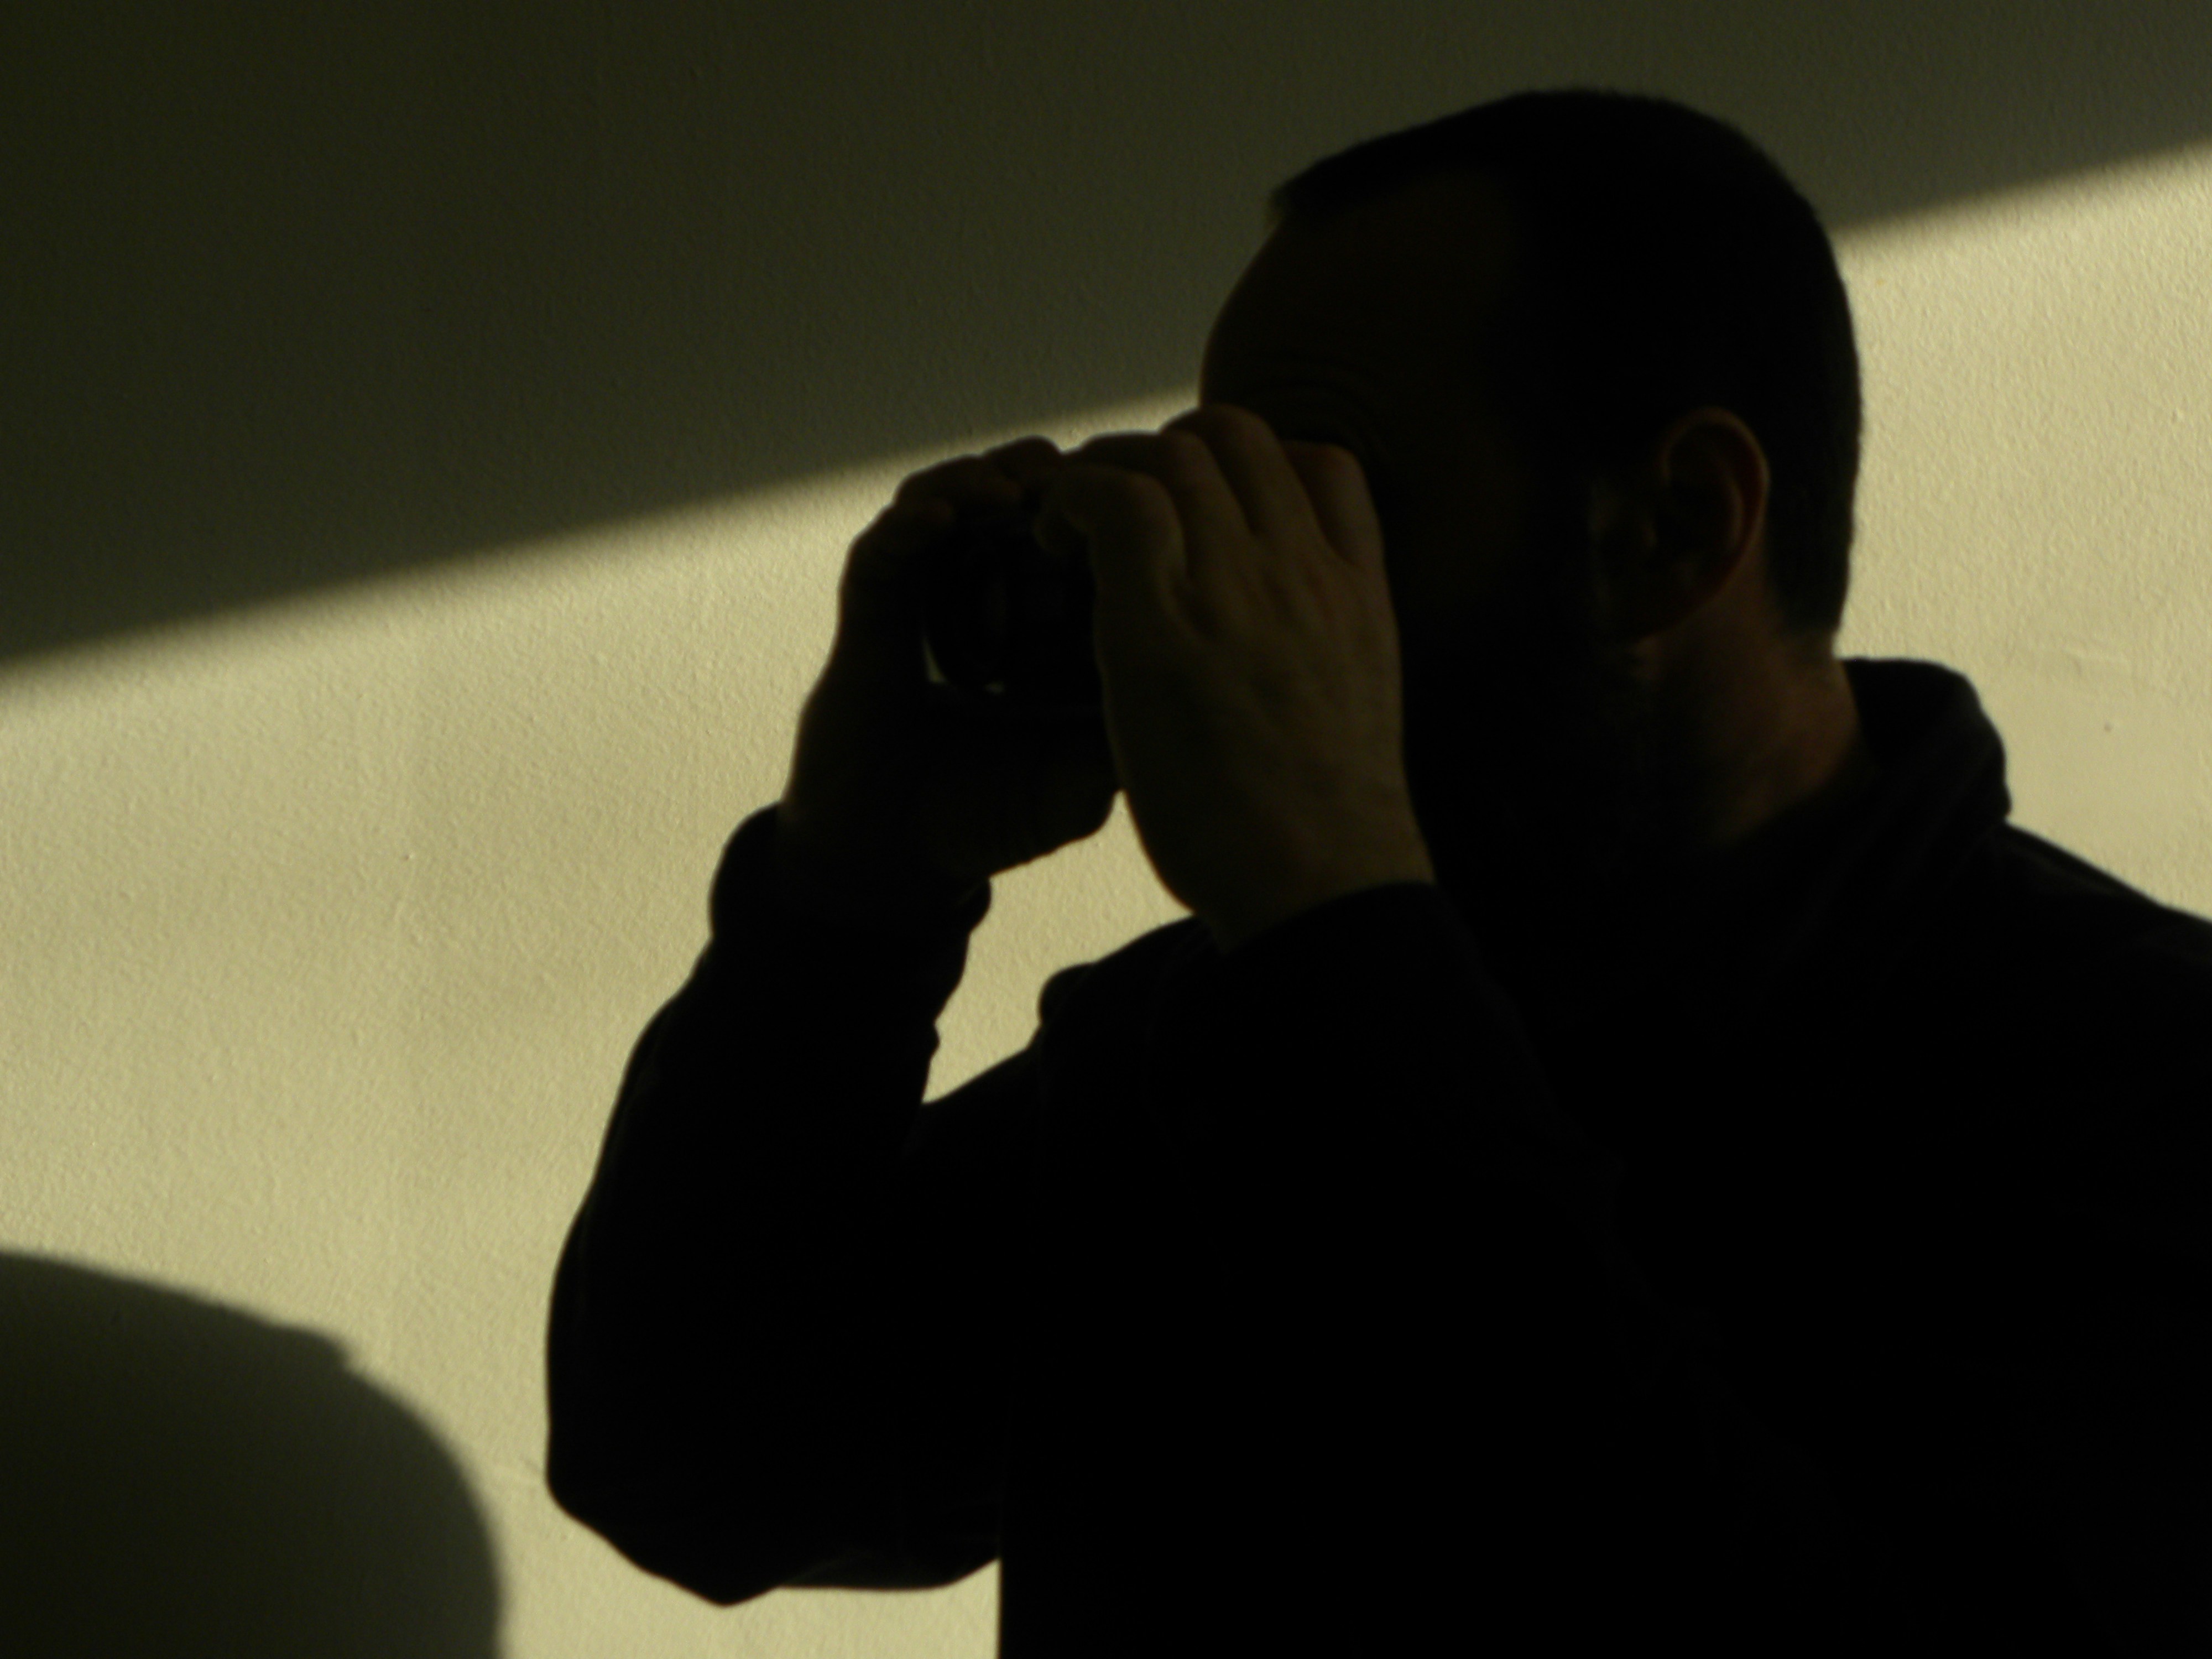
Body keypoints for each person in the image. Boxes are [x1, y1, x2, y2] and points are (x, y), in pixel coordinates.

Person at [544, 89, 2212, 1652]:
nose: (1257, 584)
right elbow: (701, 1469)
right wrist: (850, 899)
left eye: (1323, 493)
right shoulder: (1214, 1039)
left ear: (1676, 525)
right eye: (1234, 494)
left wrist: (1338, 937)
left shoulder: (2132, 1075)